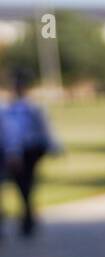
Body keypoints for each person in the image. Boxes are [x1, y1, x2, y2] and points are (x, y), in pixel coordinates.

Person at [2, 69, 59, 239]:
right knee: (20, 184)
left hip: (31, 150)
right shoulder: (8, 109)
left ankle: (28, 217)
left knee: (27, 184)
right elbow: (9, 134)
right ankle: (26, 216)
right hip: (13, 151)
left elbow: (44, 129)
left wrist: (53, 147)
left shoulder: (32, 108)